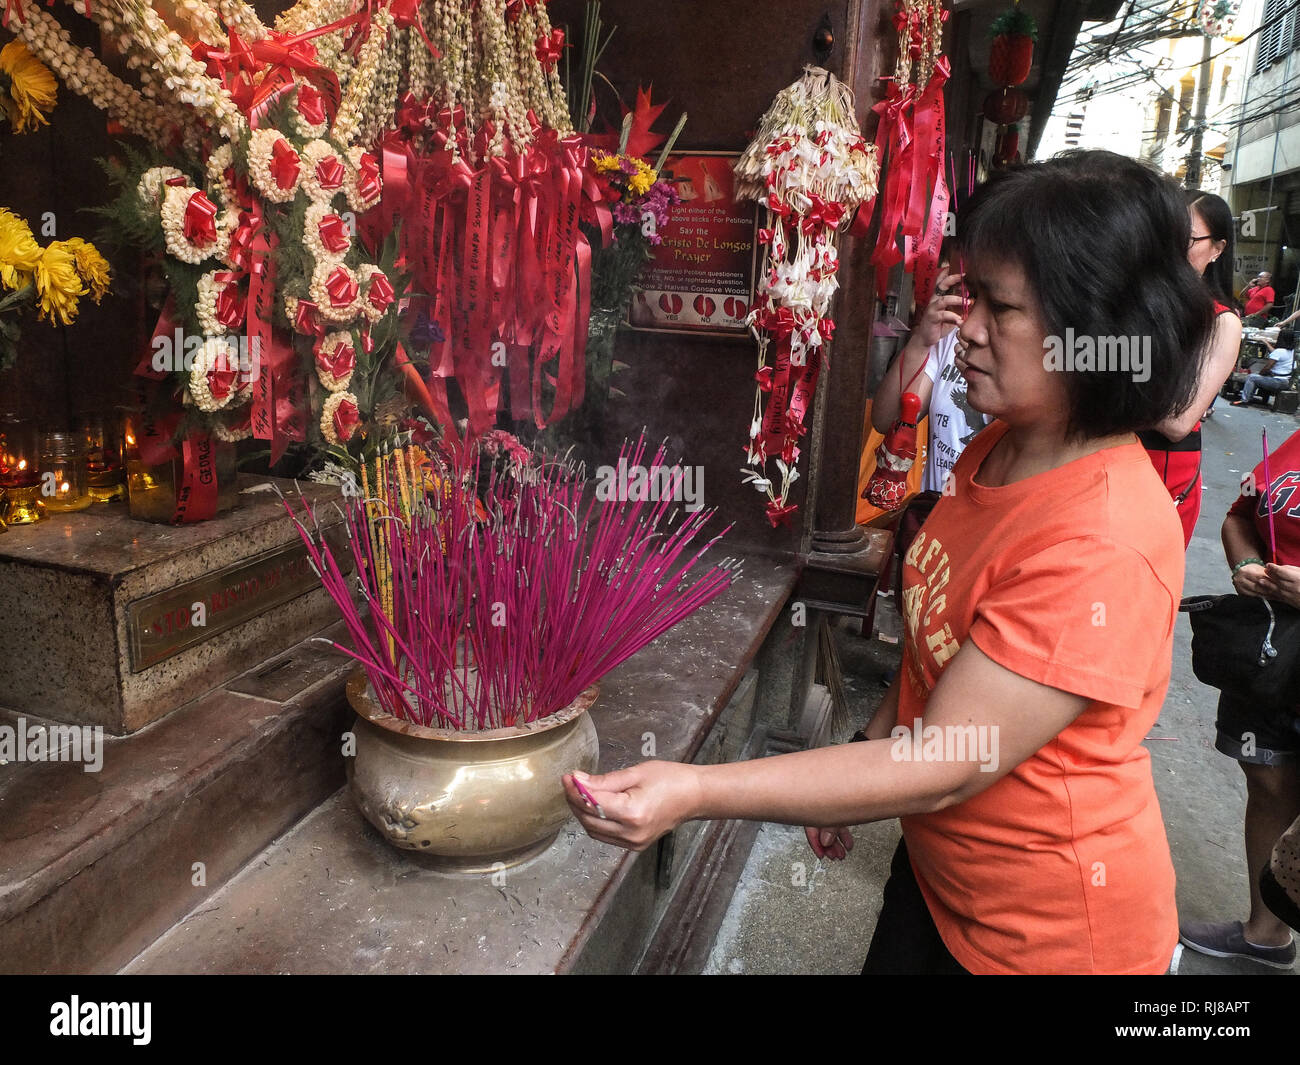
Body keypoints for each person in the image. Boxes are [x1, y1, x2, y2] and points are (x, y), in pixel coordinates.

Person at [562, 149, 1216, 974]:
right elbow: (939, 657)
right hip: (945, 883)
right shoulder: (1000, 446)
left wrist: (697, 790)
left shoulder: (1104, 538)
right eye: (972, 294)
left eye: (1000, 307)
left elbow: (943, 765)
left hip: (1053, 938)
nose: (968, 328)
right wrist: (860, 758)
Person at [1179, 426, 1300, 968]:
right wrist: (1244, 563)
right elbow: (1238, 515)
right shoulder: (1295, 442)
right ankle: (1265, 931)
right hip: (1271, 645)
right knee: (1270, 781)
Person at [1139, 191, 1242, 547]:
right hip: (1097, 459)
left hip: (1161, 473)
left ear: (1217, 248)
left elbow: (1176, 421)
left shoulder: (1221, 323)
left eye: (1187, 239)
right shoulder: (1136, 305)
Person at [1232, 327, 1294, 406]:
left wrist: (1260, 374)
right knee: (1258, 377)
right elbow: (1276, 353)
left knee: (1251, 377)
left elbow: (1267, 367)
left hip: (1277, 381)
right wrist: (1266, 343)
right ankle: (1251, 397)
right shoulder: (1292, 352)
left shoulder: (1279, 351)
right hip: (1286, 381)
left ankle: (1244, 400)